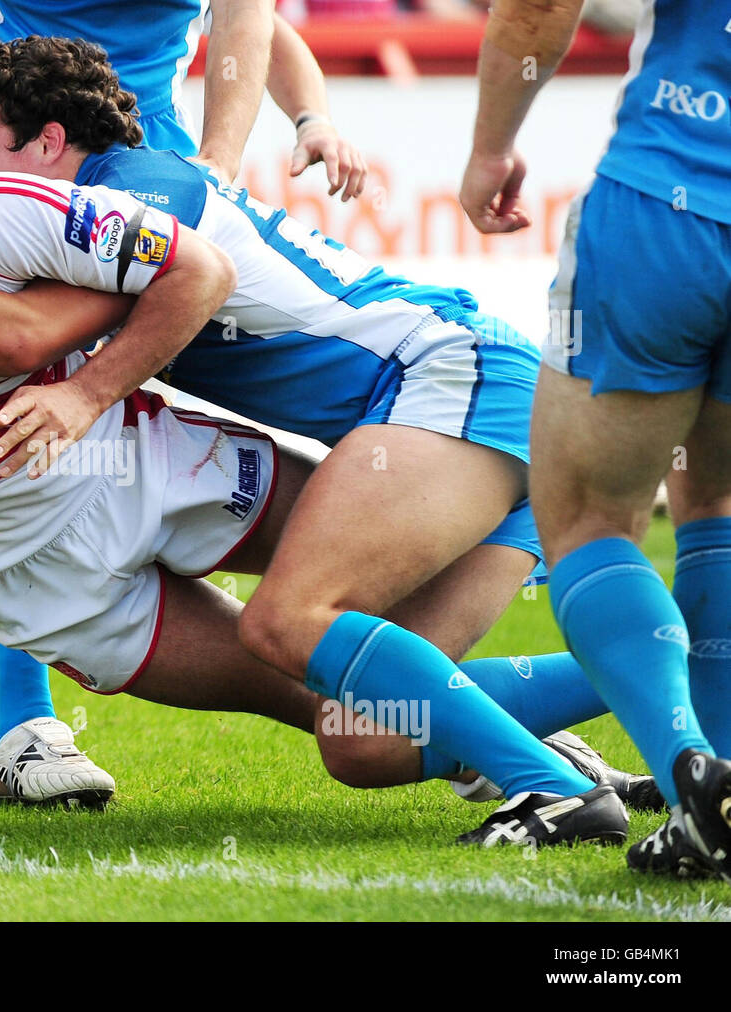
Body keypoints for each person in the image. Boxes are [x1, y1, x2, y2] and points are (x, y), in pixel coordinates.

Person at [0, 114, 660, 846]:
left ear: (47, 142)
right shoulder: (69, 225)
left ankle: (558, 788)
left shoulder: (128, 197)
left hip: (452, 379)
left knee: (290, 623)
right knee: (369, 728)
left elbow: (14, 343)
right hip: (445, 421)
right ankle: (669, 709)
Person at [0, 0, 366, 804]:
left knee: (75, 438)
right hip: (27, 178)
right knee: (41, 430)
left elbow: (252, 18)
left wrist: (269, 133)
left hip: (147, 176)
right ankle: (22, 725)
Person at [459, 0, 731, 879]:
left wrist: (491, 145)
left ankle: (693, 768)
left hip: (672, 193)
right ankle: (716, 803)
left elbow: (539, 5)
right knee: (719, 508)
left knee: (586, 523)